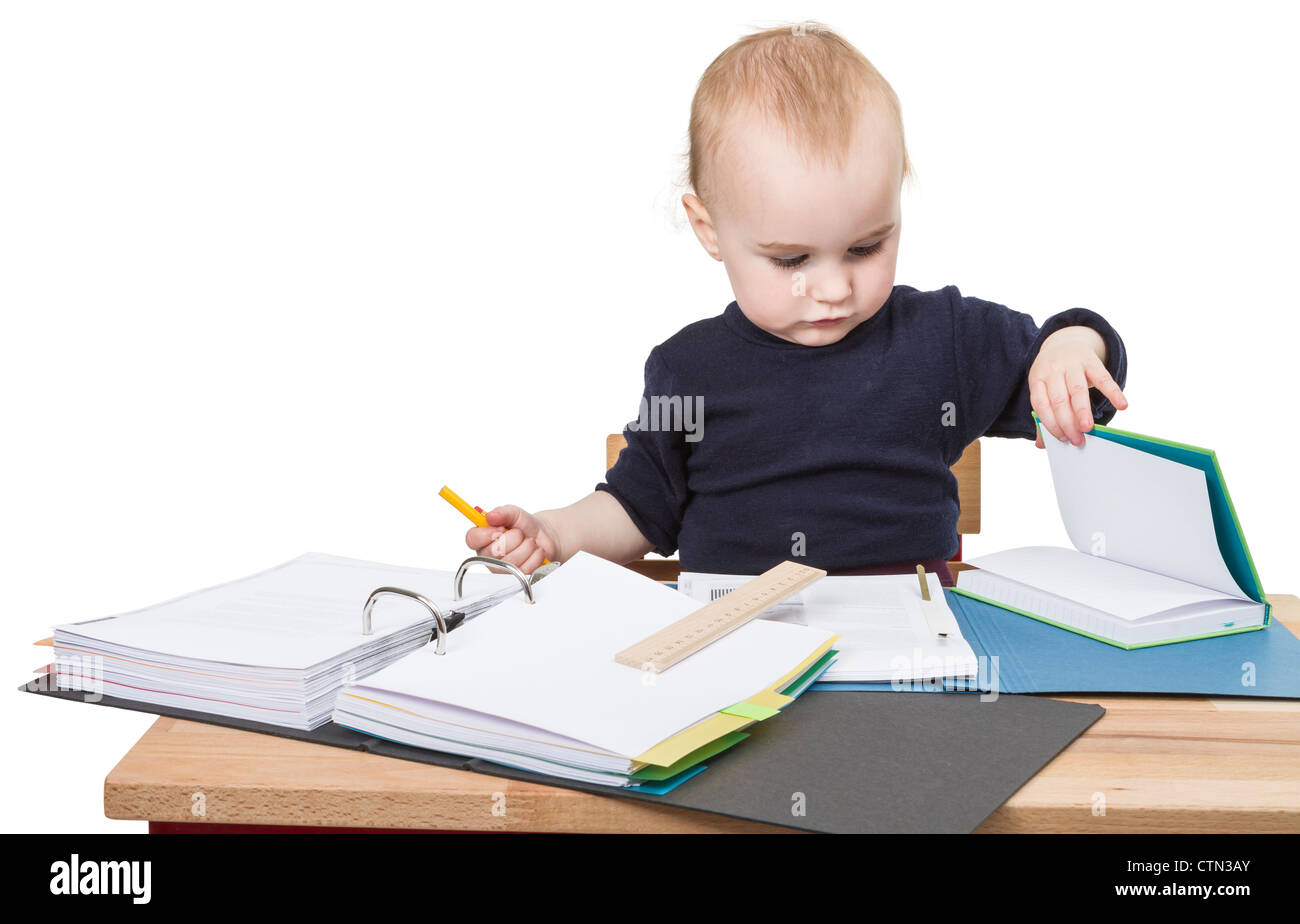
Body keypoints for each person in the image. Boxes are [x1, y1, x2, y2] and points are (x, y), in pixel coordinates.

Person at [464, 22, 1128, 586]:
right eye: (791, 261)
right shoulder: (686, 370)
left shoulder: (941, 340)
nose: (834, 289)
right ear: (709, 230)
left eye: (867, 247)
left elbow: (1066, 354)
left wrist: (1072, 349)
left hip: (907, 665)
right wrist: (550, 531)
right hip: (729, 657)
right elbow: (639, 509)